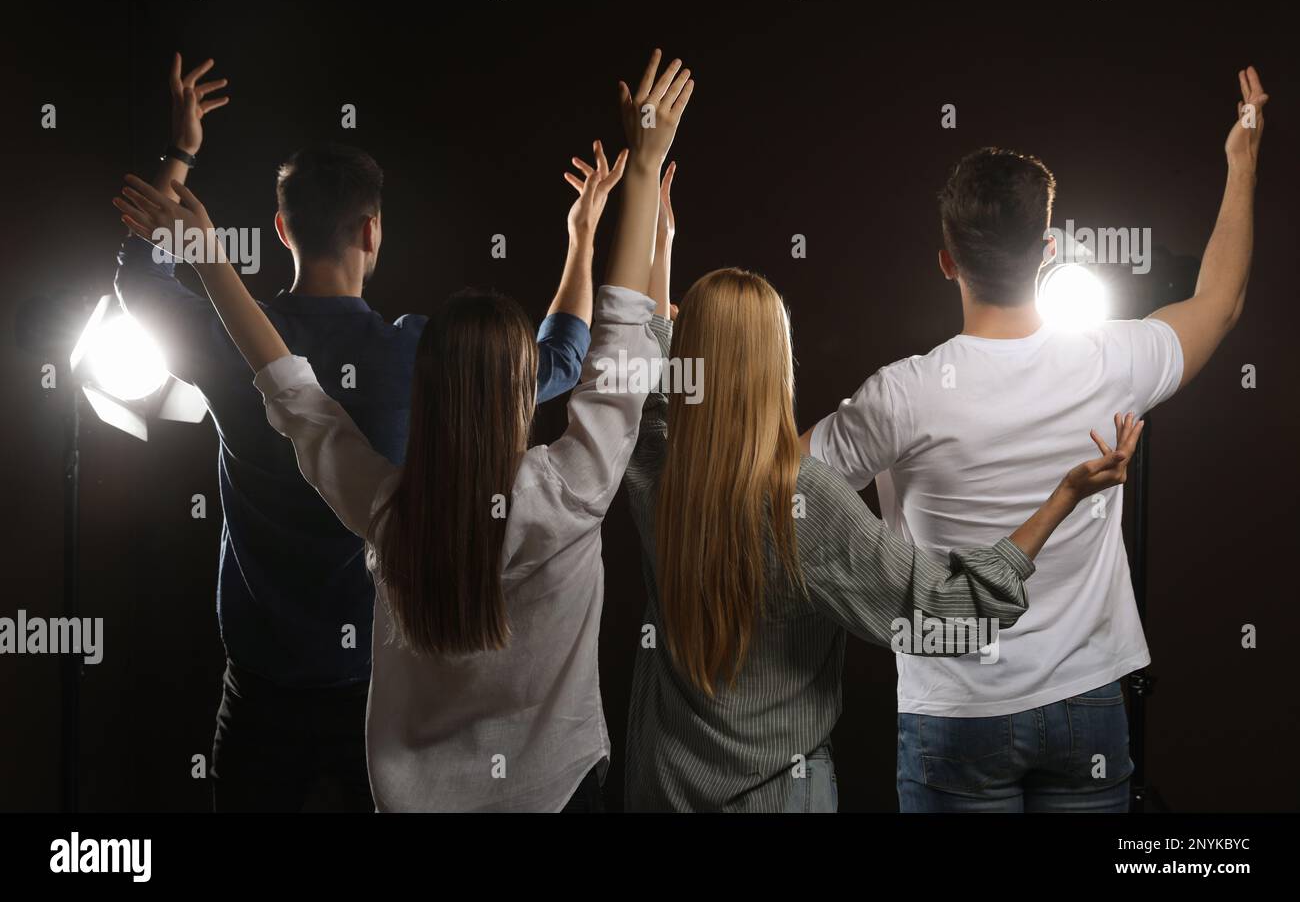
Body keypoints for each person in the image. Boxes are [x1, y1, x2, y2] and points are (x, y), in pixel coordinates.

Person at [115, 48, 695, 811]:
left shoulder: (378, 500)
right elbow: (577, 355)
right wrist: (593, 229)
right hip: (416, 715)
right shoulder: (466, 400)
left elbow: (161, 294)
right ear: (372, 232)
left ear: (283, 229)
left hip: (266, 686)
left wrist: (186, 173)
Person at [801, 67, 1268, 812]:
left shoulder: (904, 394)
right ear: (1047, 249)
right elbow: (1222, 301)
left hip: (955, 711)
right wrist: (1241, 164)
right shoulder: (1112, 361)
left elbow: (769, 479)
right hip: (1084, 700)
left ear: (948, 261)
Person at [621, 166, 1144, 812]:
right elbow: (950, 612)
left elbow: (646, 370)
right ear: (777, 367)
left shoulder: (653, 470)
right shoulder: (801, 505)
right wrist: (1064, 496)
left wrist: (654, 231)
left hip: (656, 793)